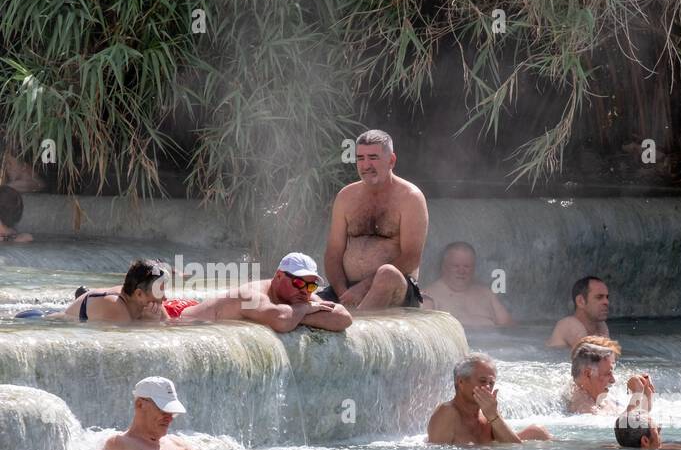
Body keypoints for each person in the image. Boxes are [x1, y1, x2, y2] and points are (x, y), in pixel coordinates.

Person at [319, 129, 429, 312]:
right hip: (348, 289)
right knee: (303, 297)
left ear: (391, 160)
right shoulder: (346, 196)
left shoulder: (410, 197)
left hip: (395, 286)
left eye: (373, 157)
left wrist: (363, 287)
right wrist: (342, 292)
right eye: (360, 158)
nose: (365, 165)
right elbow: (333, 253)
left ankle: (356, 330)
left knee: (387, 274)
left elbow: (411, 258)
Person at [101, 377, 281, 450]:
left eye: (172, 411)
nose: (169, 417)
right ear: (140, 405)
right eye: (164, 409)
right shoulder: (118, 444)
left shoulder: (178, 444)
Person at [173, 253, 352, 332]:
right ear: (279, 276)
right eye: (298, 282)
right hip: (177, 317)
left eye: (311, 286)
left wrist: (297, 314)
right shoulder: (250, 295)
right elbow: (281, 321)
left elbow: (343, 318)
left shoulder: (300, 296)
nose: (305, 291)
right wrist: (304, 310)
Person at [426, 353, 552, 446]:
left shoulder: (487, 413)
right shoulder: (447, 412)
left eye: (491, 383)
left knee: (538, 431)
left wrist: (493, 415)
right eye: (482, 381)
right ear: (461, 382)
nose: (487, 387)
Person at [31, 259, 170, 323]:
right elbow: (128, 338)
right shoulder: (114, 305)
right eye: (160, 292)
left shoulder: (152, 302)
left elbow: (170, 325)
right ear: (139, 294)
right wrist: (148, 323)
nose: (165, 298)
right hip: (37, 318)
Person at [423, 242, 512, 327]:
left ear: (474, 269)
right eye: (456, 266)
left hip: (489, 342)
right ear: (444, 267)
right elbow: (424, 334)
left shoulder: (487, 294)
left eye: (467, 266)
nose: (461, 271)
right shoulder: (428, 296)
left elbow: (509, 329)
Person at [547, 276, 611, 349]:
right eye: (599, 297)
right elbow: (588, 355)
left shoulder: (601, 326)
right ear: (580, 301)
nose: (607, 302)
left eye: (607, 297)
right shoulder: (569, 324)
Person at [567, 339, 621, 414]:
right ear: (588, 374)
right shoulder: (585, 408)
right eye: (607, 374)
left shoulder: (591, 395)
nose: (613, 380)